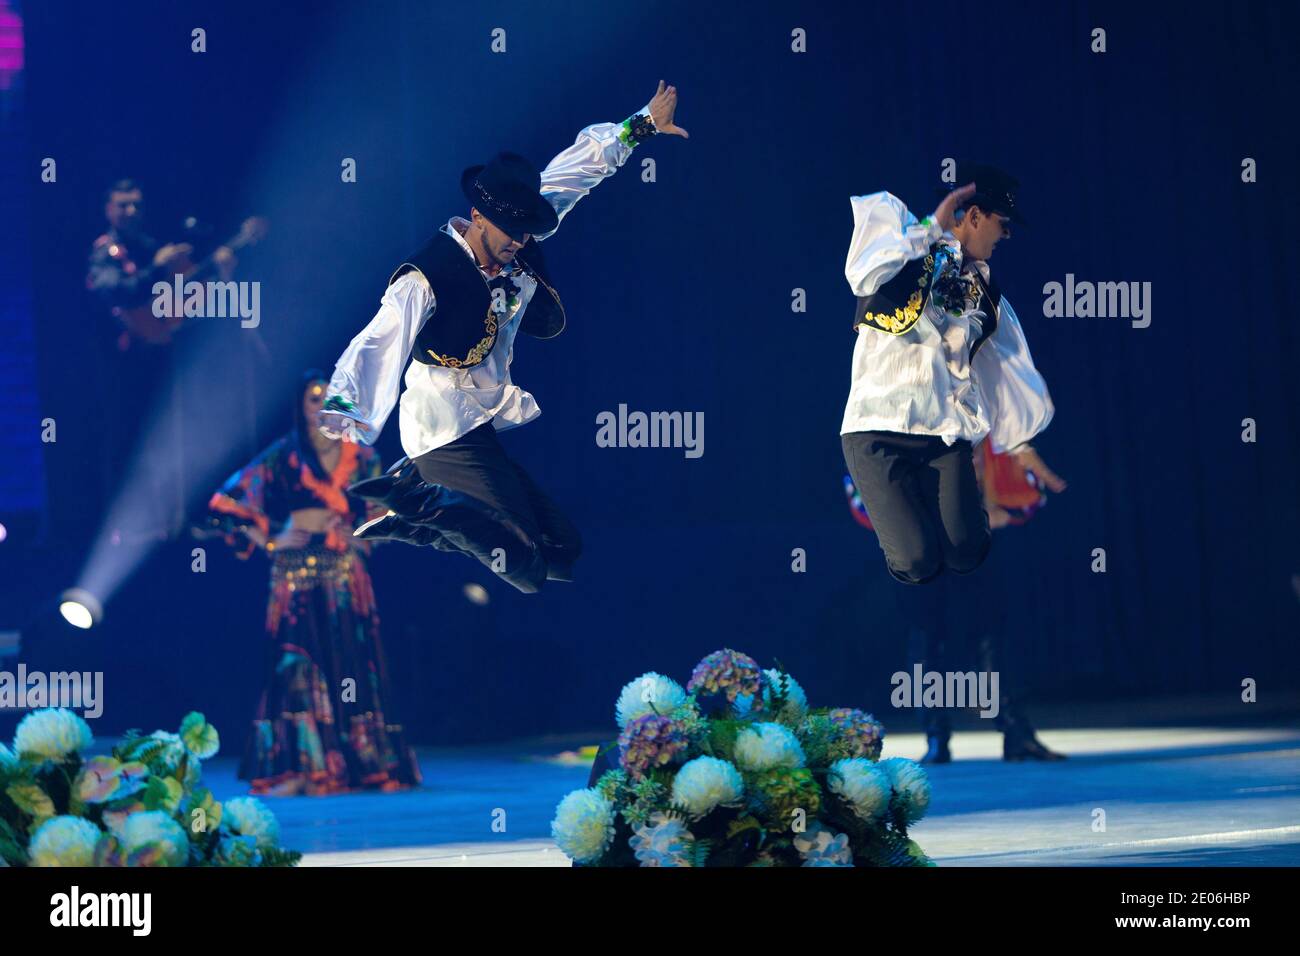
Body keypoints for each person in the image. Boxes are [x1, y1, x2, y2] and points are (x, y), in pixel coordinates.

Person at [319, 82, 688, 593]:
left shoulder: (519, 238)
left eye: (525, 230)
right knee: (523, 568)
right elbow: (380, 338)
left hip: (479, 420)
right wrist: (347, 403)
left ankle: (415, 517)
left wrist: (641, 124)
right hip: (442, 428)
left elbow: (575, 172)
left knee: (562, 552)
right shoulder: (428, 276)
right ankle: (421, 502)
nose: (519, 241)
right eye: (509, 230)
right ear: (477, 217)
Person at [840, 164, 1060, 585]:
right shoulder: (901, 238)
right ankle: (906, 519)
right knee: (916, 562)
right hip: (877, 430)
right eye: (1003, 224)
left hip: (942, 438)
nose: (1006, 236)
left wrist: (1020, 444)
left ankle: (929, 505)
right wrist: (926, 231)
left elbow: (1010, 371)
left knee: (967, 550)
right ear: (974, 216)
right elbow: (861, 272)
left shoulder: (989, 298)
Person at [209, 371, 421, 795]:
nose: (322, 405)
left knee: (351, 666)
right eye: (313, 398)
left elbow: (389, 507)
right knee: (296, 670)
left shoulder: (362, 459)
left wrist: (362, 536)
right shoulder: (284, 456)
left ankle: (363, 764)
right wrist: (272, 538)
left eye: (331, 398)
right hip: (294, 577)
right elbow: (225, 502)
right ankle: (302, 766)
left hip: (345, 577)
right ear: (301, 407)